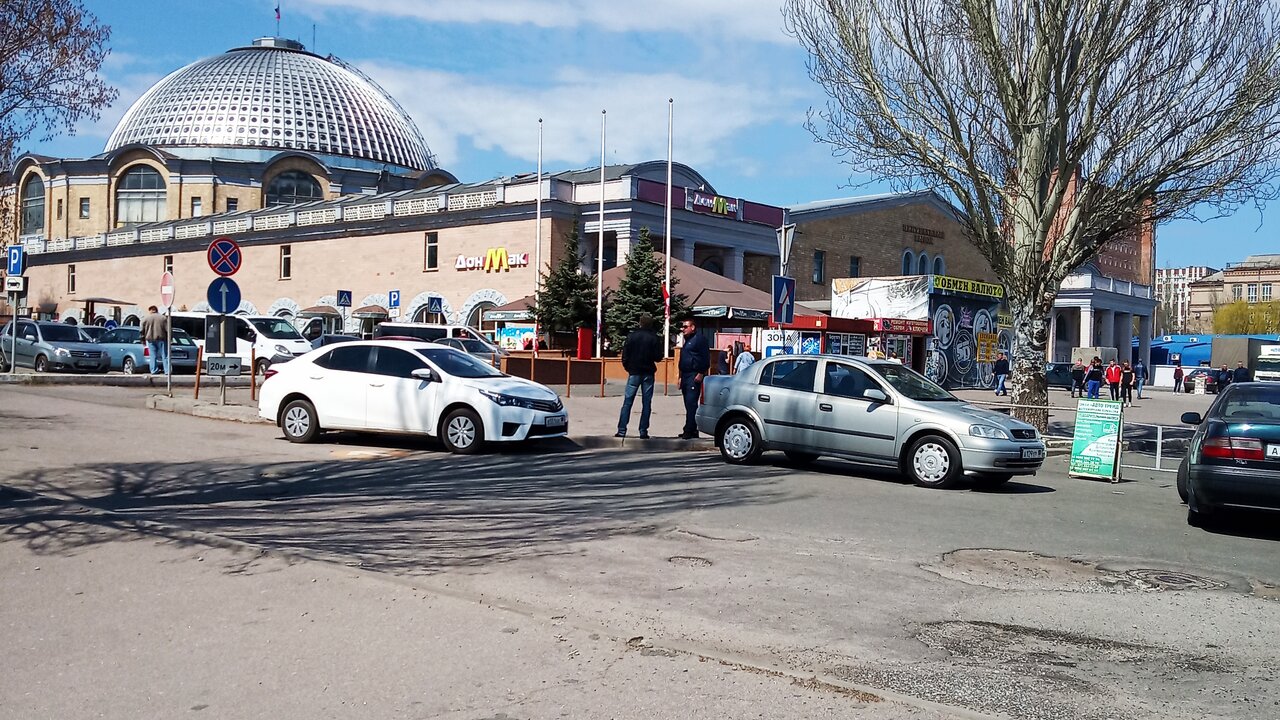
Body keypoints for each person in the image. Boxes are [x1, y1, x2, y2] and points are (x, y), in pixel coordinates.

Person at [615, 314, 662, 439]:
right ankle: (643, 431)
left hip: (634, 372)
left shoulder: (632, 337)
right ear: (650, 324)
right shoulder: (654, 338)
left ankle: (621, 430)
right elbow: (658, 357)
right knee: (646, 403)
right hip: (648, 373)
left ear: (640, 323)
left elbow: (625, 355)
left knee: (627, 402)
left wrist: (628, 368)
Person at [677, 318, 710, 439]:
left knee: (691, 404)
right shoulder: (687, 340)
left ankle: (689, 430)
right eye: (683, 327)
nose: (683, 329)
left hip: (694, 374)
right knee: (687, 403)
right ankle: (693, 429)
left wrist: (701, 372)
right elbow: (683, 359)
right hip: (685, 375)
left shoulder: (699, 339)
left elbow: (705, 358)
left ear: (693, 327)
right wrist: (680, 377)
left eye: (686, 327)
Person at [140, 305, 169, 375]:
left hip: (150, 340)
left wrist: (142, 340)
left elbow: (141, 331)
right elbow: (168, 330)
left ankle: (154, 370)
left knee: (153, 356)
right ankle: (167, 371)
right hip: (162, 339)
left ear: (150, 310)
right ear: (156, 310)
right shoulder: (163, 318)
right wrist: (170, 339)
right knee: (165, 355)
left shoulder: (145, 319)